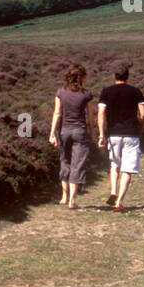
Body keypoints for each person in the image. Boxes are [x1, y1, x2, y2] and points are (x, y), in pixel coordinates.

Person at [96, 63, 144, 211]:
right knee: (127, 169)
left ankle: (113, 190)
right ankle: (119, 202)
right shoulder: (136, 91)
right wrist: (141, 129)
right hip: (131, 133)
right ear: (127, 76)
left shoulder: (106, 92)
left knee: (114, 164)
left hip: (113, 134)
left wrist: (101, 135)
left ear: (114, 76)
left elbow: (100, 114)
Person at [49, 63, 94, 210]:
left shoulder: (60, 92)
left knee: (65, 161)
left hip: (64, 131)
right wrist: (92, 133)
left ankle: (64, 196)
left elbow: (57, 113)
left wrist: (51, 133)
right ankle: (72, 201)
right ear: (82, 77)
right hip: (80, 131)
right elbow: (90, 116)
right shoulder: (86, 94)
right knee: (77, 165)